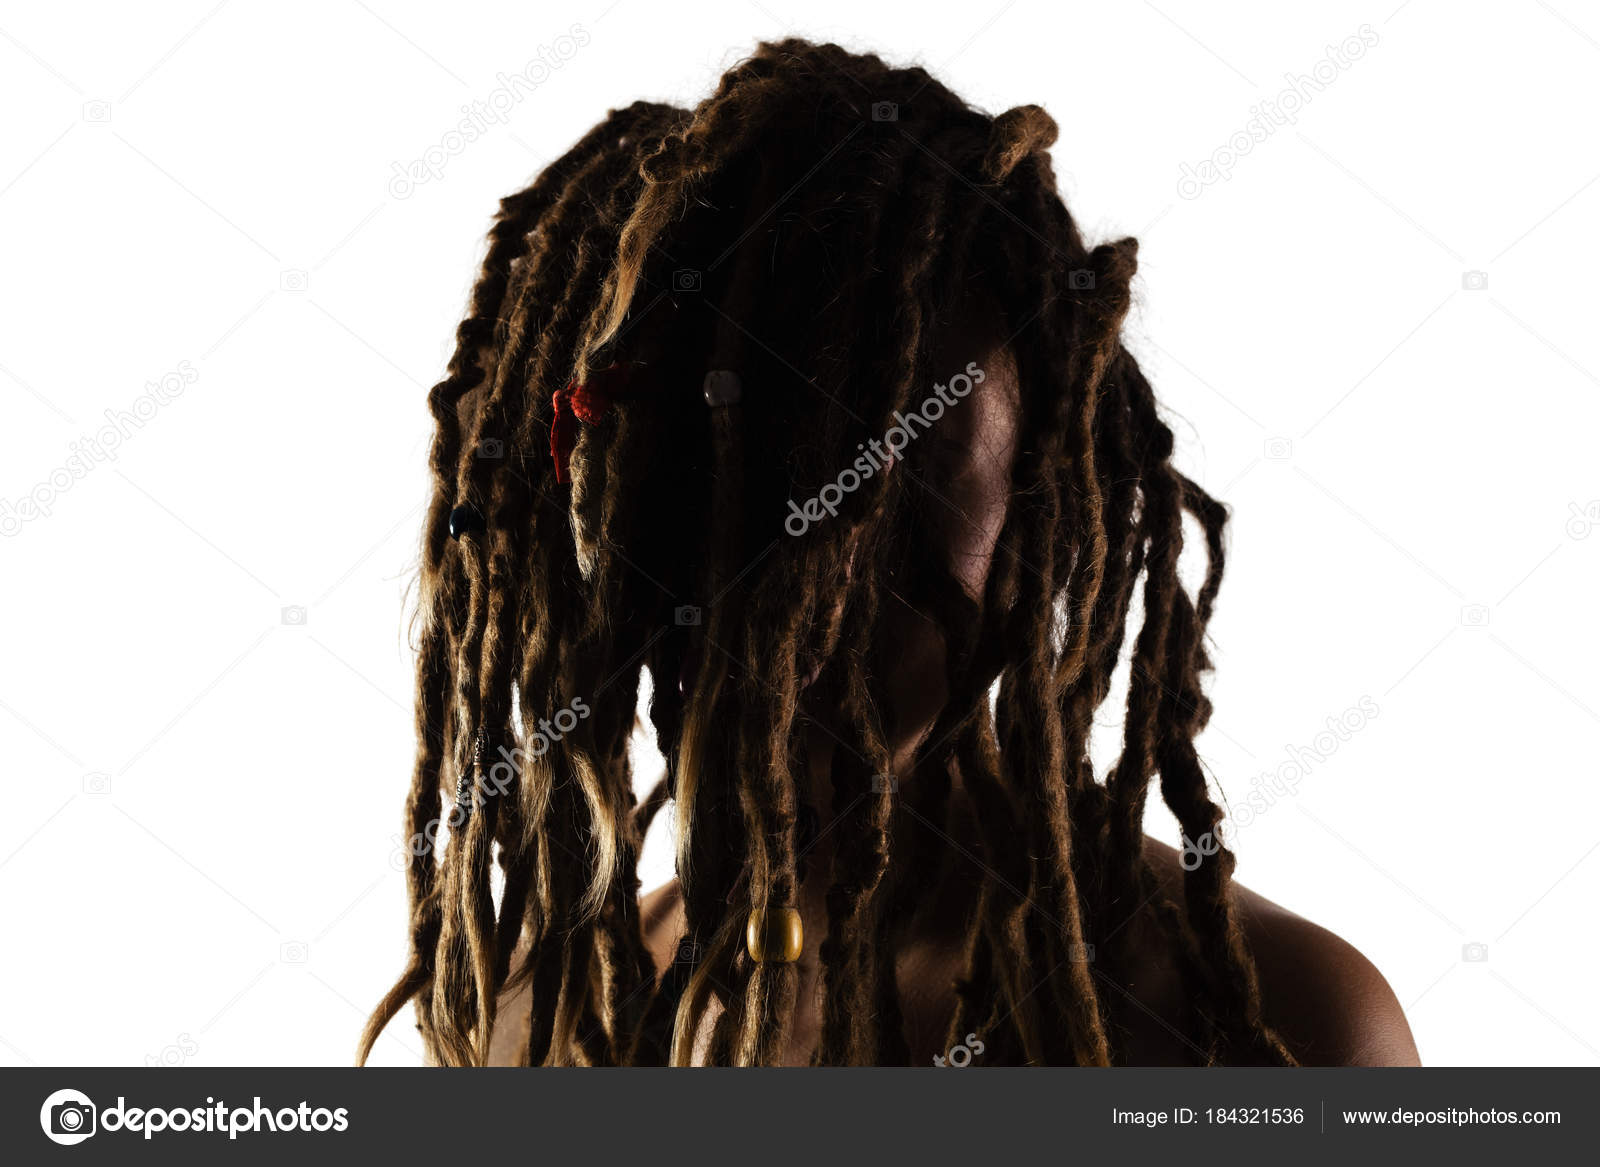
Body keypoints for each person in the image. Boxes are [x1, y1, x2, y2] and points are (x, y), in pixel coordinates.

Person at [362, 39, 1418, 1067]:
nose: (803, 599)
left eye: (899, 490)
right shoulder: (539, 1042)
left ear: (1042, 498)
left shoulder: (1268, 1033)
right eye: (728, 493)